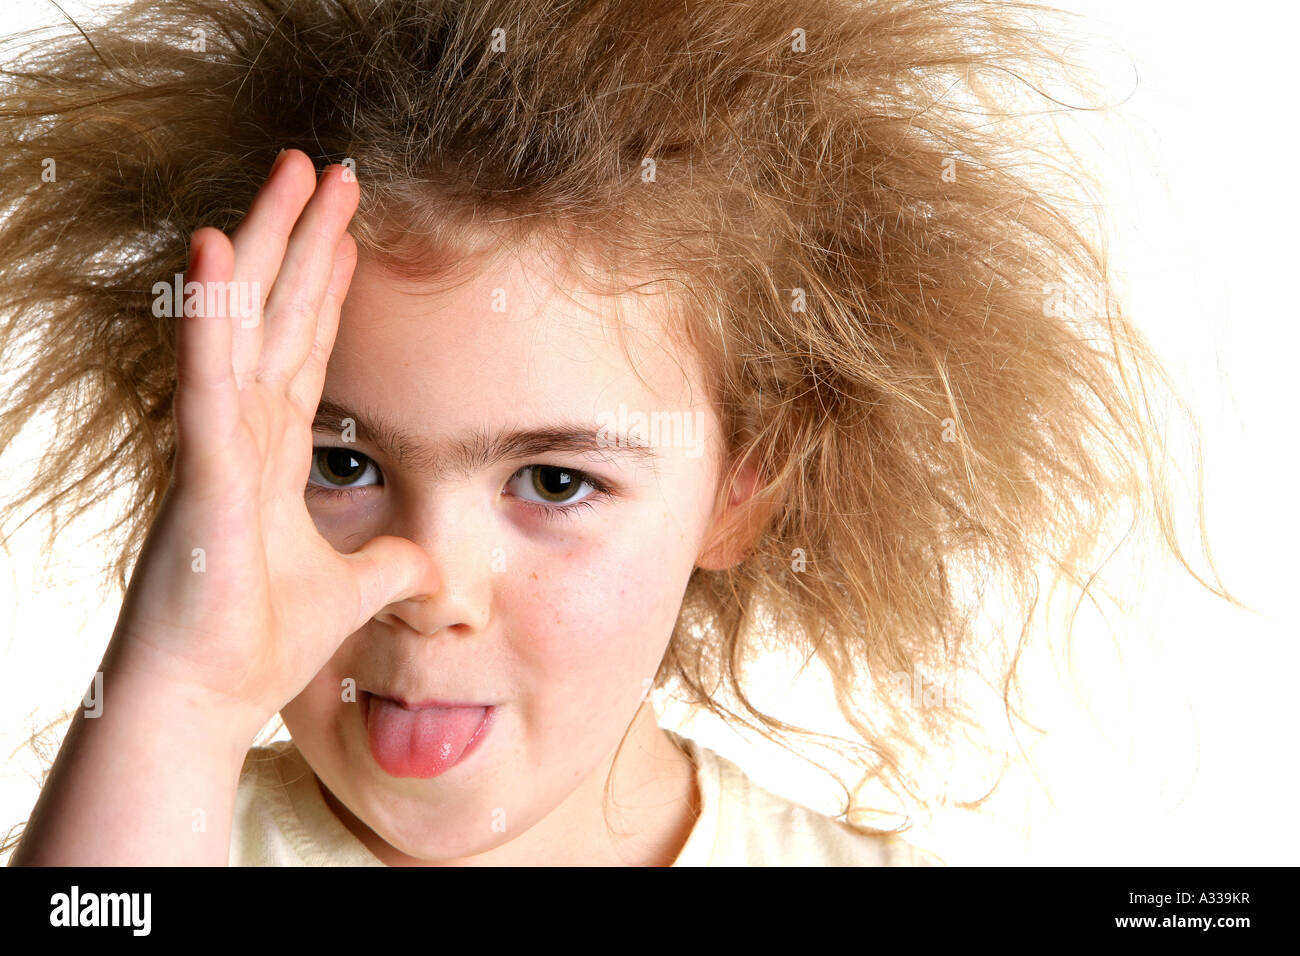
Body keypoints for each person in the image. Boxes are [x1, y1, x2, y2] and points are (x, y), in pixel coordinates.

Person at [0, 0, 1237, 866]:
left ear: (742, 489)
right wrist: (179, 694)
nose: (430, 592)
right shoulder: (150, 838)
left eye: (552, 478)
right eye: (341, 462)